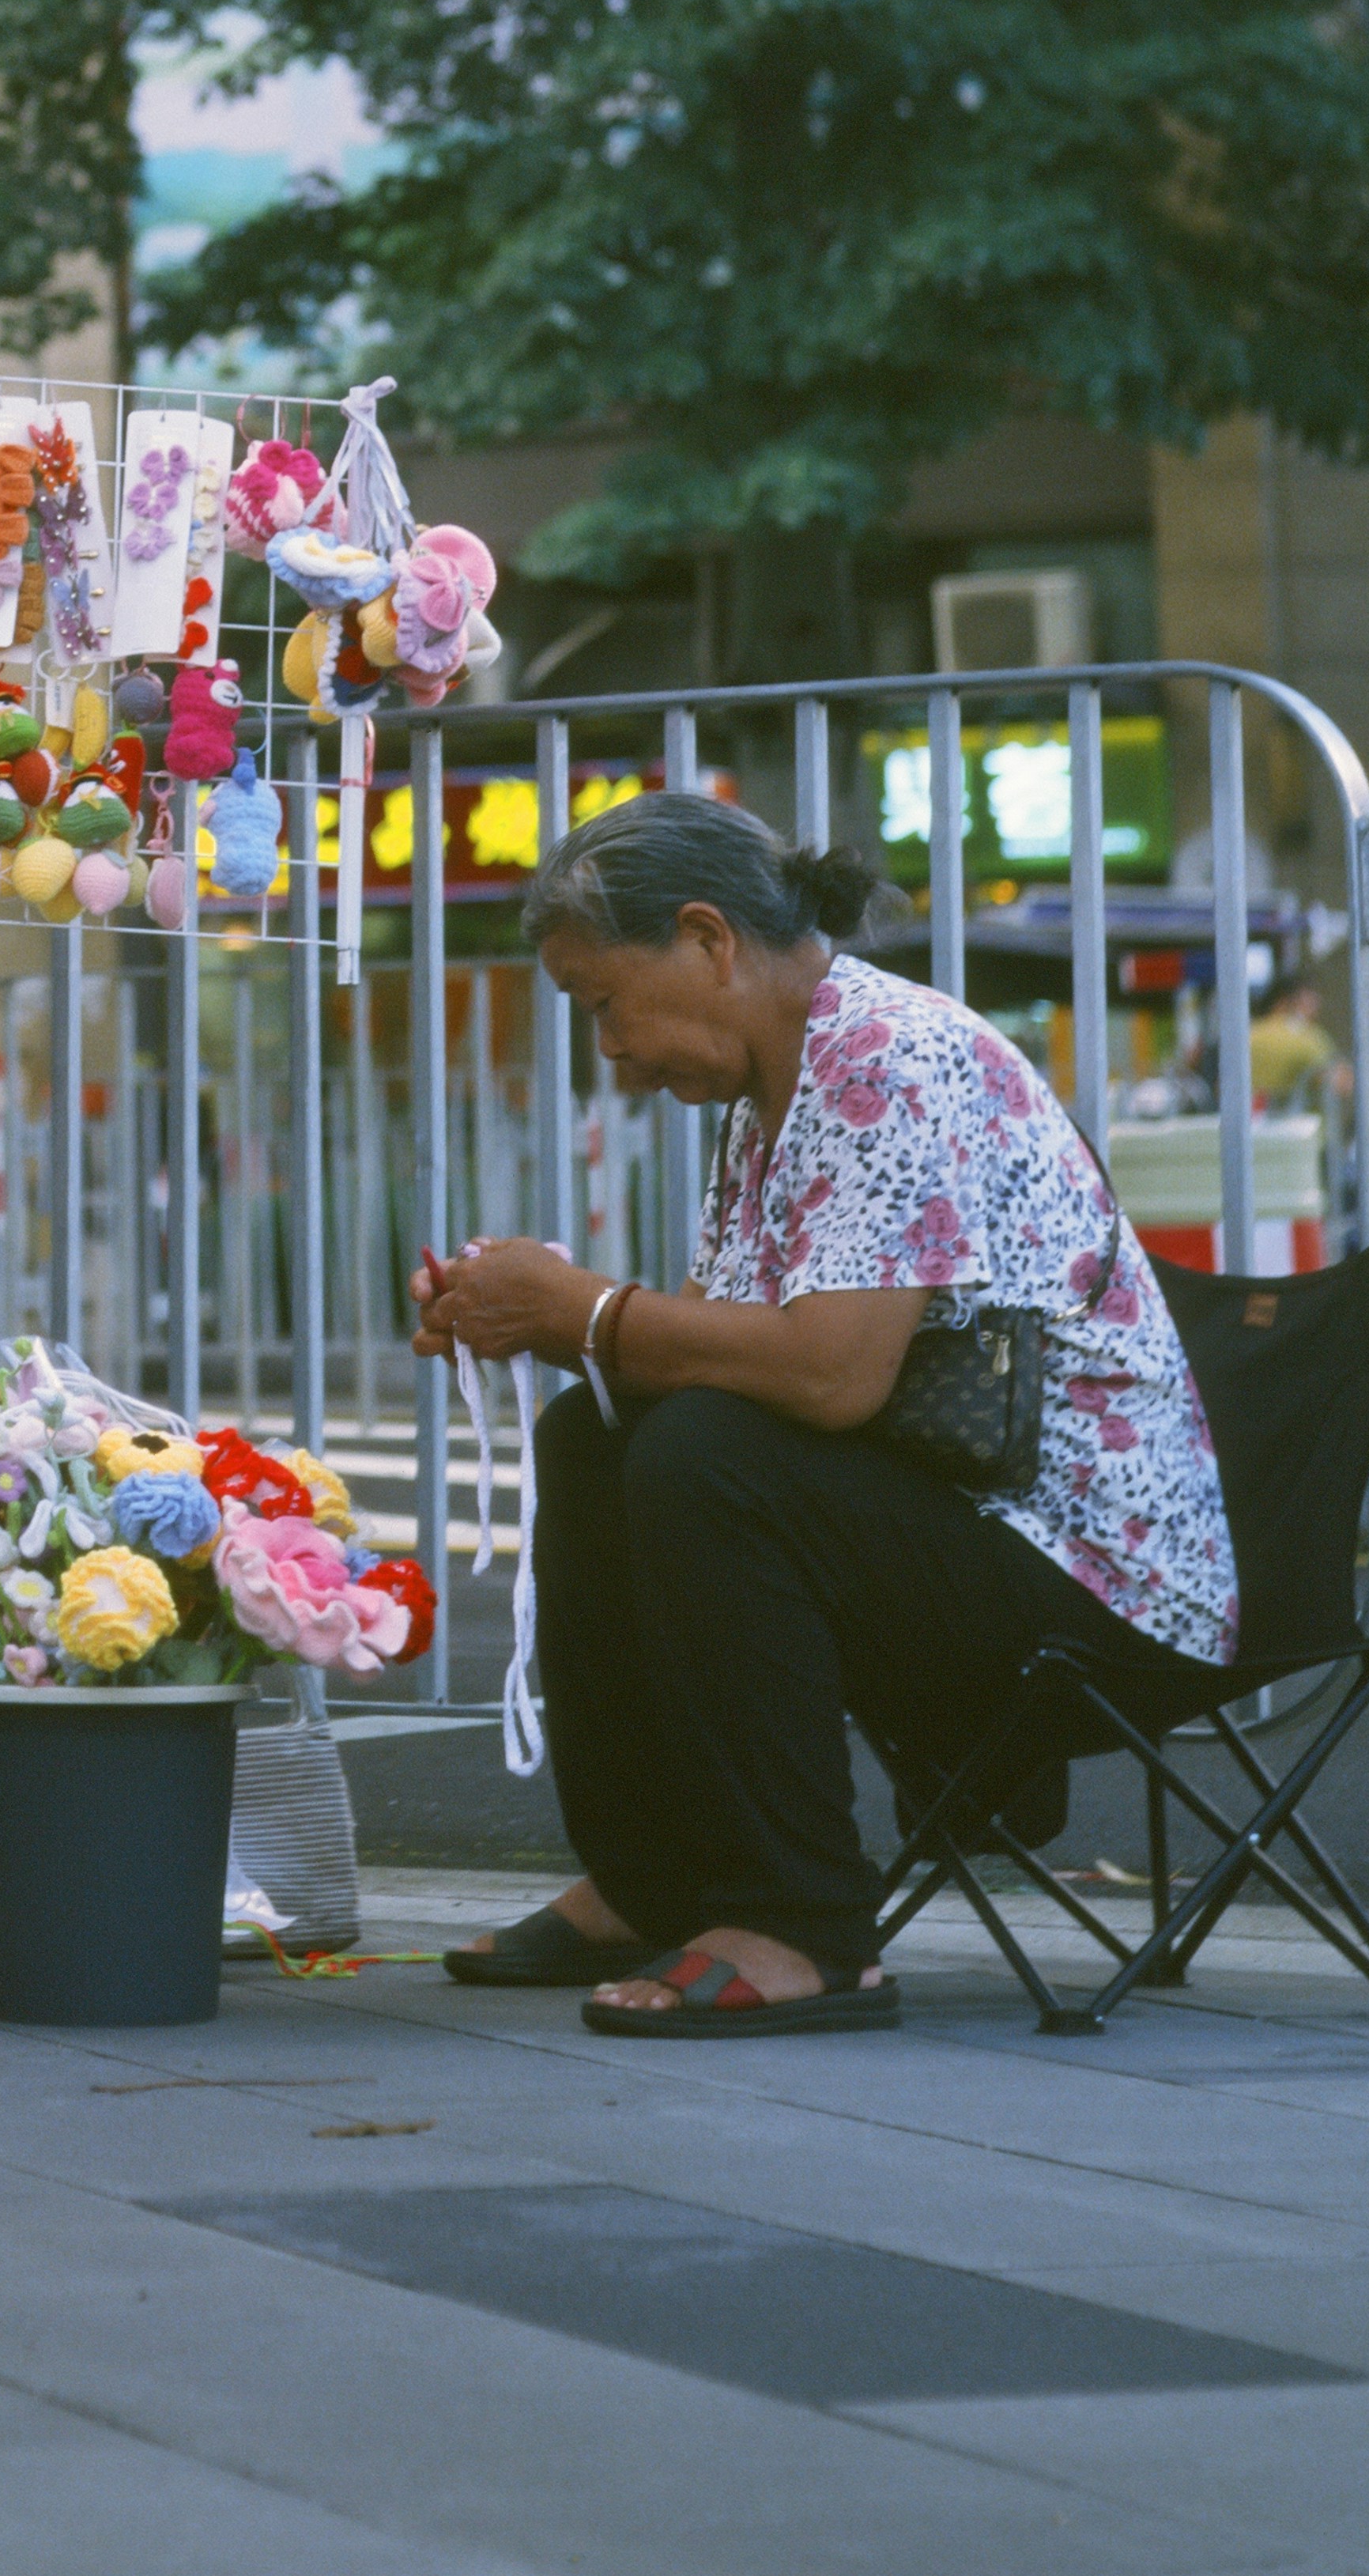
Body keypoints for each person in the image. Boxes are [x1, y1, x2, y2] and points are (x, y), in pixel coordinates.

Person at [416, 790, 1238, 2038]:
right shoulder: (769, 1099)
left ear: (706, 940)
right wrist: (514, 1316)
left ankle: (800, 1920)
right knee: (596, 1439)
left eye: (602, 1002)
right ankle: (656, 1882)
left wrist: (580, 1305)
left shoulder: (887, 1058)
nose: (610, 1050)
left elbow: (830, 1376)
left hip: (1094, 1575)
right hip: (956, 1516)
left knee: (703, 1460)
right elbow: (717, 1360)